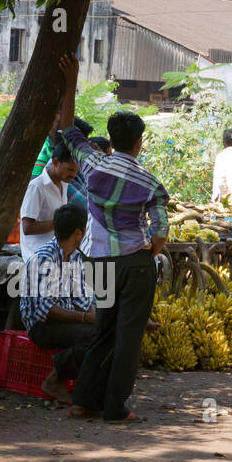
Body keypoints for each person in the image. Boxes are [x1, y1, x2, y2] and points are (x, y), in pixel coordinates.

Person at [58, 52, 169, 422]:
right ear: (138, 143)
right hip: (134, 265)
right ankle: (115, 407)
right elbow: (161, 231)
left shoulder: (91, 164)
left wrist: (71, 79)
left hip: (98, 262)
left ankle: (83, 400)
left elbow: (68, 128)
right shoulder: (149, 182)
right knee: (128, 336)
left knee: (104, 330)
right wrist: (148, 252)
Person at [19, 204, 96, 403]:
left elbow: (81, 299)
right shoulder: (43, 258)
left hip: (63, 321)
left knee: (104, 331)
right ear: (79, 232)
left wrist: (97, 316)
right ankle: (53, 380)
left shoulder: (75, 257)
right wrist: (85, 318)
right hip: (41, 326)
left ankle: (88, 387)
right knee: (92, 336)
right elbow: (46, 310)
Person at [19, 139, 80, 258]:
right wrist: (62, 222)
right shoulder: (36, 187)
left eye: (76, 171)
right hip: (38, 256)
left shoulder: (64, 183)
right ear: (56, 162)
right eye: (70, 169)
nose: (73, 175)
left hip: (58, 253)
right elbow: (27, 228)